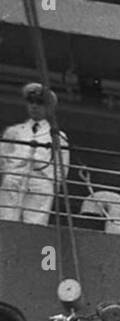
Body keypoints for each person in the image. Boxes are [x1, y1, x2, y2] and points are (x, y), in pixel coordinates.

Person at [0, 83, 70, 226]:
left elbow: (62, 166)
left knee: (35, 224)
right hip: (15, 177)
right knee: (7, 219)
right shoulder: (14, 131)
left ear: (48, 107)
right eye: (31, 102)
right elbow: (3, 156)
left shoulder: (57, 136)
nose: (34, 106)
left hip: (41, 181)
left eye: (39, 103)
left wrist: (51, 184)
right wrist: (10, 172)